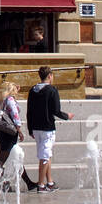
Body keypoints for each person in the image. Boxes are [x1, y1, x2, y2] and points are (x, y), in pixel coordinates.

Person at [25, 65, 73, 193]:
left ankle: (50, 182)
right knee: (45, 156)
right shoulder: (52, 90)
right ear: (50, 76)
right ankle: (41, 184)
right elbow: (56, 110)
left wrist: (30, 128)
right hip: (47, 128)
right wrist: (67, 116)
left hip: (36, 127)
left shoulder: (32, 90)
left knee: (46, 154)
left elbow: (29, 111)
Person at [0, 81, 36, 190]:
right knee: (2, 159)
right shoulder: (10, 100)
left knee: (16, 158)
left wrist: (15, 88)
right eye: (15, 90)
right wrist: (20, 131)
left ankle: (29, 183)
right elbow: (15, 116)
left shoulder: (4, 100)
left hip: (4, 132)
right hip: (10, 133)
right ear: (12, 91)